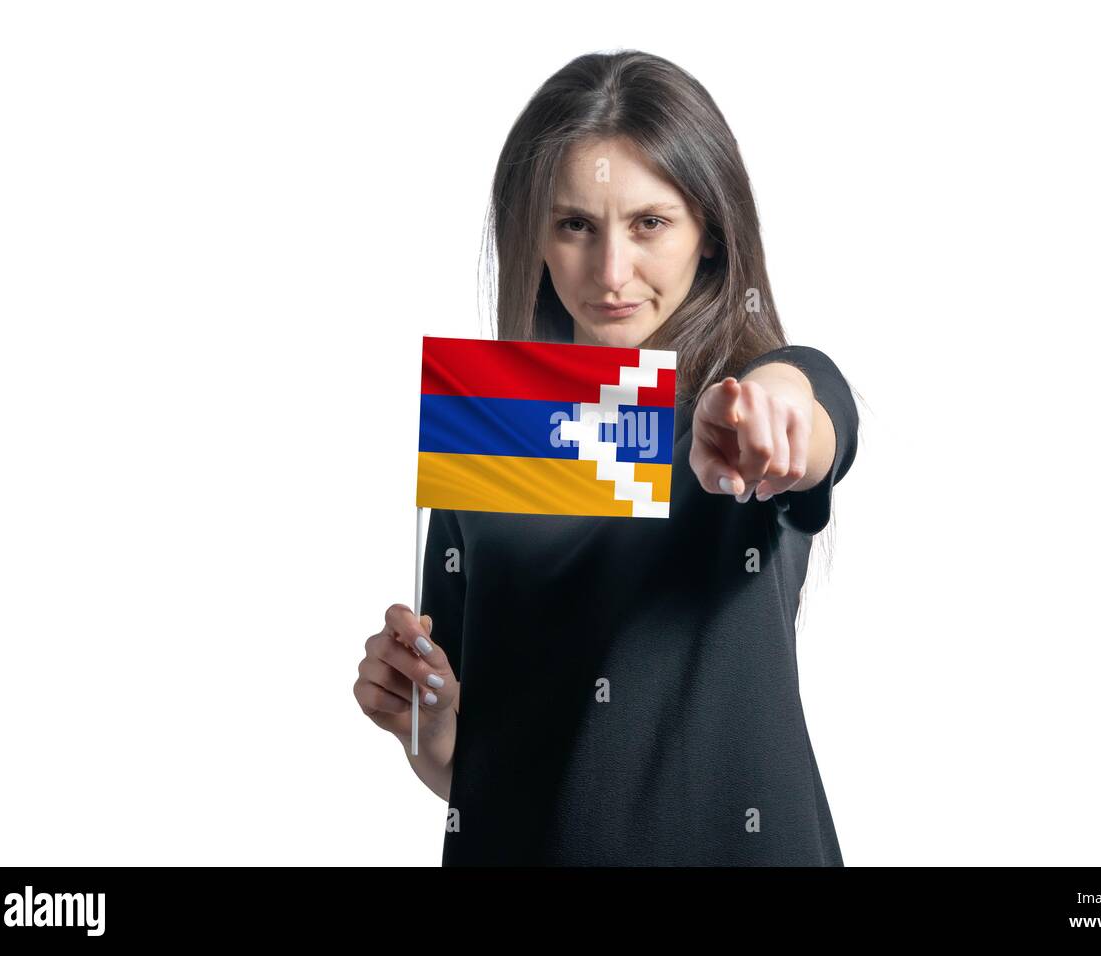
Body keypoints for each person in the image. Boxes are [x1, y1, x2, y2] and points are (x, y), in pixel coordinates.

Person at [353, 50, 860, 865]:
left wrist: (778, 413)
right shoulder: (497, 427)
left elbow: (813, 409)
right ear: (536, 238)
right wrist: (435, 728)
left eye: (649, 223)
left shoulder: (740, 412)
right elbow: (487, 766)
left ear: (710, 234)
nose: (611, 271)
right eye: (575, 225)